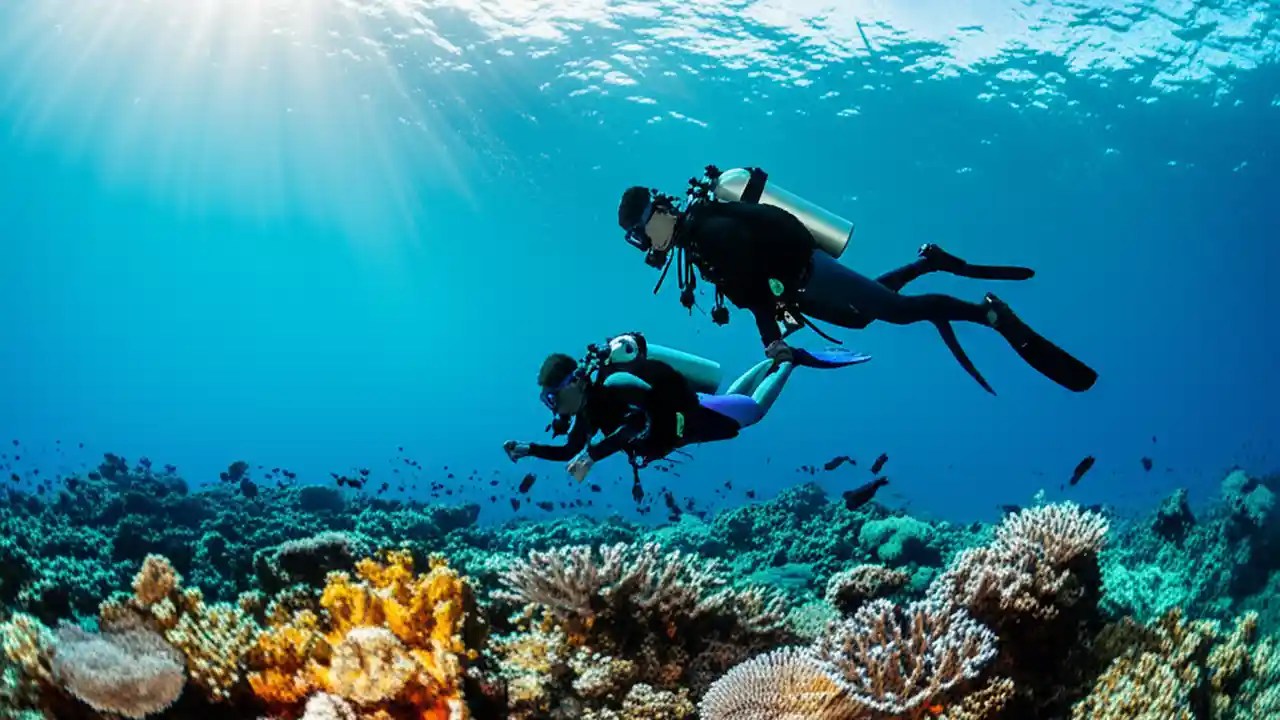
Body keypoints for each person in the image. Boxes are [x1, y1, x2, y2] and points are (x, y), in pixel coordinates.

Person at [615, 175, 1097, 394]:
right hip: (798, 286)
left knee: (902, 312)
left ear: (658, 214)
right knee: (864, 316)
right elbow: (750, 285)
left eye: (640, 234)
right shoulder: (696, 238)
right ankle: (926, 264)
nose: (643, 245)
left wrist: (772, 339)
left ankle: (990, 314)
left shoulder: (709, 231)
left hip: (809, 271)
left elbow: (750, 279)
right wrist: (774, 326)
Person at [503, 333, 868, 481]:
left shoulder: (614, 384)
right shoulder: (587, 409)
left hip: (694, 416)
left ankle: (790, 360)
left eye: (553, 396)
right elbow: (569, 448)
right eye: (546, 400)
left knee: (753, 411)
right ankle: (775, 358)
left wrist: (593, 456)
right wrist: (528, 449)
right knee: (735, 402)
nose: (552, 406)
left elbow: (634, 420)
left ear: (575, 382)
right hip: (692, 415)